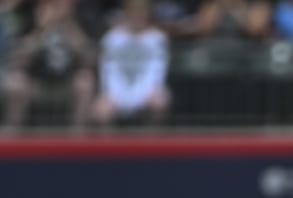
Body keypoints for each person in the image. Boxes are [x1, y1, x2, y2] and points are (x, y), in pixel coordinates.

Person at [2, 0, 96, 130]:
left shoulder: (82, 19)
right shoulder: (31, 18)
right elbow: (20, 58)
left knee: (85, 82)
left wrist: (70, 27)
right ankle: (13, 137)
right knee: (15, 83)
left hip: (67, 83)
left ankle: (77, 139)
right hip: (37, 83)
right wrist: (41, 30)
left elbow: (90, 58)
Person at [93, 0, 171, 126]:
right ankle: (107, 145)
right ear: (127, 13)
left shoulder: (157, 38)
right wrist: (111, 94)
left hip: (147, 91)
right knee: (102, 108)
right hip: (117, 92)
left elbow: (157, 72)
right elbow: (107, 72)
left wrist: (144, 94)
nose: (137, 17)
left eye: (141, 13)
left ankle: (151, 143)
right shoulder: (112, 38)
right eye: (134, 13)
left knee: (159, 101)